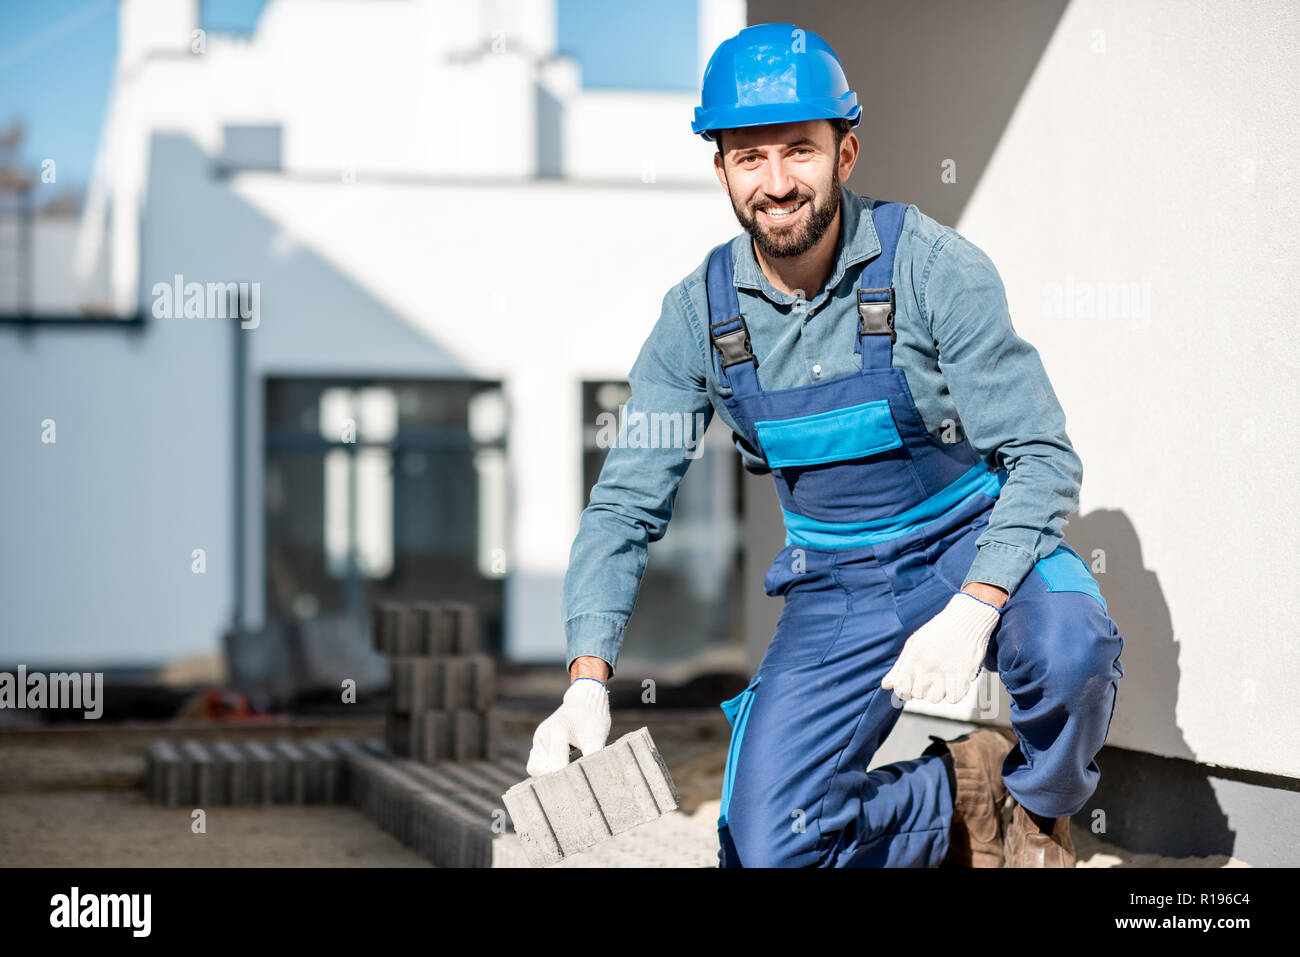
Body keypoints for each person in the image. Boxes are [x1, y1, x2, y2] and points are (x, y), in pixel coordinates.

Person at [526, 22, 1124, 868]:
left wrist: (976, 605)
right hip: (838, 586)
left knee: (1070, 647)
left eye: (798, 152)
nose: (776, 184)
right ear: (722, 169)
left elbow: (1042, 456)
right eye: (749, 158)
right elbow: (624, 505)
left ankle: (1040, 809)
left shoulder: (932, 269)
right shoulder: (698, 317)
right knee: (770, 849)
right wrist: (587, 681)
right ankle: (962, 793)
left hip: (970, 545)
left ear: (845, 154)